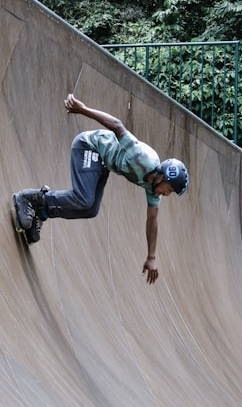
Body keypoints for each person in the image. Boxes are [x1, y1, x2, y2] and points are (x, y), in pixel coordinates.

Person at [13, 94, 189, 284]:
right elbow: (117, 125)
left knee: (91, 209)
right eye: (168, 189)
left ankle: (42, 212)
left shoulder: (152, 187)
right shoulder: (143, 158)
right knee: (84, 198)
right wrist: (82, 109)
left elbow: (152, 219)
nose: (166, 194)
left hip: (103, 163)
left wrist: (151, 257)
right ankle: (32, 198)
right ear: (162, 176)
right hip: (89, 146)